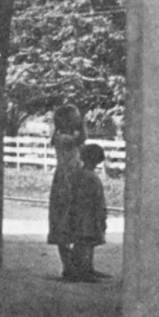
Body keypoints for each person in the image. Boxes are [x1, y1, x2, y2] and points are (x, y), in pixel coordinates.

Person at [46, 103, 88, 279]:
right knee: (63, 220)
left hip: (72, 178)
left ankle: (74, 265)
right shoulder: (62, 138)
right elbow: (82, 139)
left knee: (72, 220)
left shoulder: (64, 137)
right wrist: (83, 126)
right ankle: (68, 266)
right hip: (66, 180)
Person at [59, 143, 108, 283]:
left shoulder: (79, 174)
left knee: (87, 241)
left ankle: (87, 268)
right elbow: (95, 198)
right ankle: (83, 270)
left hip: (81, 212)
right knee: (85, 242)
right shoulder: (91, 177)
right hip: (88, 213)